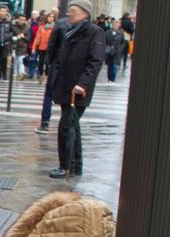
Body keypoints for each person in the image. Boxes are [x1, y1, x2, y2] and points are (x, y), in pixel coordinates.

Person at [48, 0, 104, 179]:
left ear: (84, 13)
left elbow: (95, 61)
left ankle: (66, 166)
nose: (69, 14)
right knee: (72, 125)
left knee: (67, 125)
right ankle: (76, 165)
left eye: (73, 11)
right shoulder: (70, 32)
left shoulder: (94, 32)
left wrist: (83, 83)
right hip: (66, 86)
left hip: (78, 89)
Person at [33, 12, 69, 134]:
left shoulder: (61, 23)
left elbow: (52, 44)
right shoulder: (83, 26)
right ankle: (66, 124)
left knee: (49, 93)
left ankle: (45, 123)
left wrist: (52, 61)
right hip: (69, 64)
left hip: (58, 62)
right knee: (66, 95)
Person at [31, 11, 54, 82]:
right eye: (49, 17)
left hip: (50, 47)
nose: (51, 18)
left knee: (47, 62)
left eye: (52, 17)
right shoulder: (42, 26)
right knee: (40, 62)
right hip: (41, 47)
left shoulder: (55, 27)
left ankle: (47, 76)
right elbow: (37, 37)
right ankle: (40, 75)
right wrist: (34, 47)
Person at [10, 14, 30, 80]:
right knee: (15, 60)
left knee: (21, 60)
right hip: (14, 45)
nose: (22, 21)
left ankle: (21, 73)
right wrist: (16, 37)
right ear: (18, 19)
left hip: (22, 46)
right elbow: (9, 35)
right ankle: (15, 73)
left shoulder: (27, 28)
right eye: (21, 19)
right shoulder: (13, 26)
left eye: (24, 20)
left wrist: (23, 37)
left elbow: (28, 39)